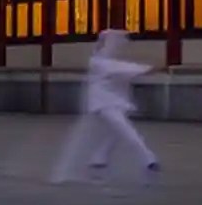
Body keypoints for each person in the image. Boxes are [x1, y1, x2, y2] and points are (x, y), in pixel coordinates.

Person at [49, 29, 160, 183]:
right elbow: (121, 68)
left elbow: (122, 68)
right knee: (124, 129)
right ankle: (148, 158)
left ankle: (99, 158)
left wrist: (145, 69)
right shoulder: (98, 62)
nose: (117, 46)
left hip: (111, 102)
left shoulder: (103, 61)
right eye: (114, 42)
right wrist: (146, 69)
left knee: (114, 132)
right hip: (104, 104)